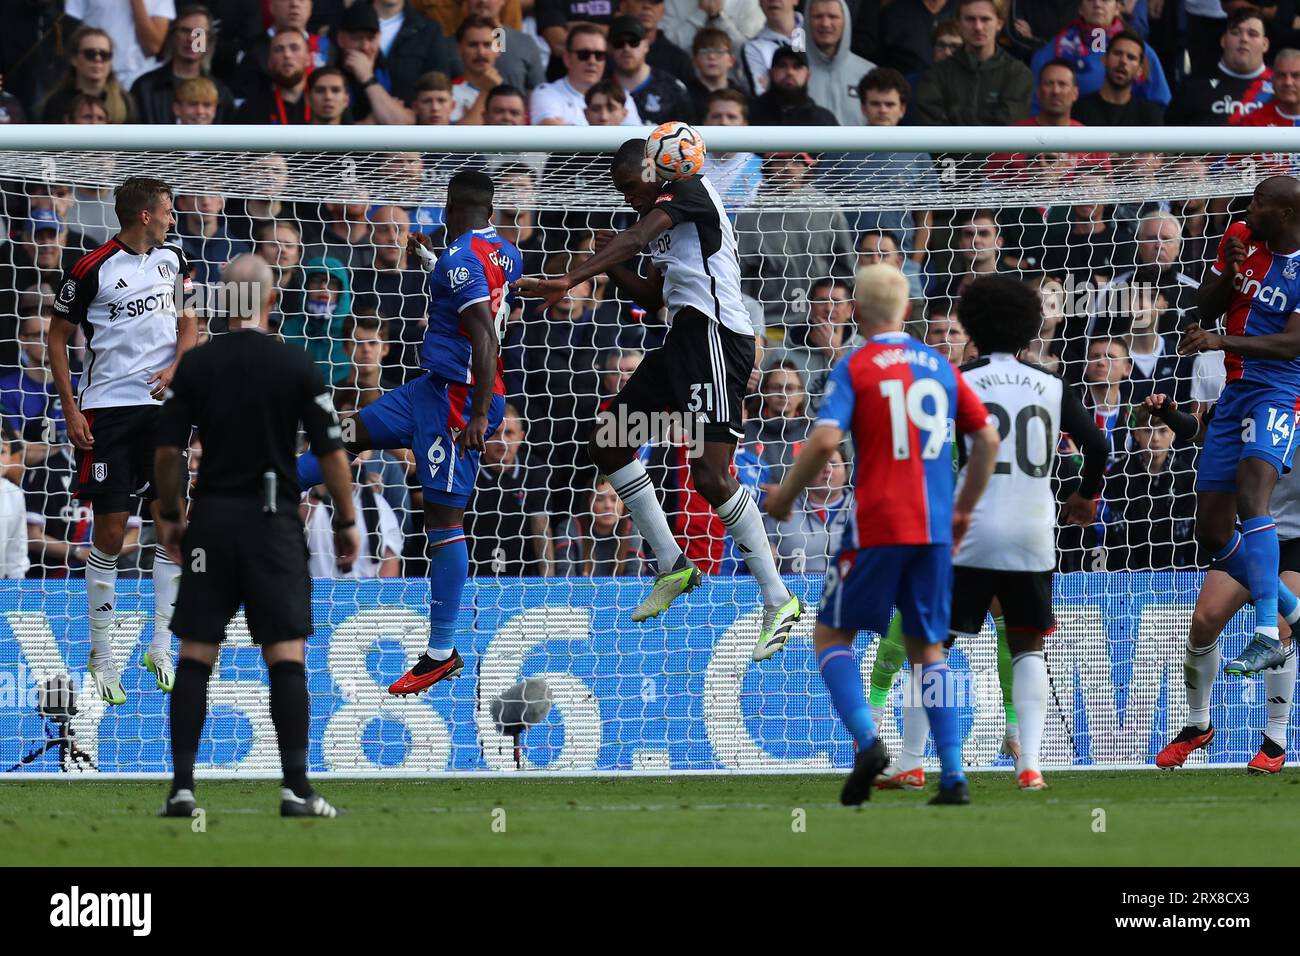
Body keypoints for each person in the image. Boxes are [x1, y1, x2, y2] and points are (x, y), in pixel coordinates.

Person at [516, 139, 803, 661]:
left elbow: (636, 236)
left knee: (711, 476)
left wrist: (571, 275)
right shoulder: (667, 219)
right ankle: (672, 564)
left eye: (630, 188)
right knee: (608, 442)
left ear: (654, 172)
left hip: (717, 340)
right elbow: (653, 294)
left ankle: (777, 597)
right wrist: (605, 266)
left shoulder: (690, 192)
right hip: (680, 345)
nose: (627, 199)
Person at [765, 263, 1000, 805]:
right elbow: (986, 440)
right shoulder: (940, 368)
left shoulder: (857, 364)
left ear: (854, 314)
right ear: (908, 312)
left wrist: (783, 495)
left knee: (832, 635)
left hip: (875, 525)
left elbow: (825, 443)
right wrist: (963, 510)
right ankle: (954, 775)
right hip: (934, 530)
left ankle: (868, 739)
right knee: (928, 650)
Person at [297, 170, 518, 697]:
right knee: (345, 432)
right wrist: (429, 263)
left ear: (449, 207)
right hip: (427, 388)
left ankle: (441, 652)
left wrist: (481, 417)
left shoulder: (461, 261)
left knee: (443, 518)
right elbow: (480, 294)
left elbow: (485, 339)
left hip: (458, 401)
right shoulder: (505, 251)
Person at [155, 253, 356, 820]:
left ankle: (182, 789)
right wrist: (345, 519)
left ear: (223, 301)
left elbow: (168, 450)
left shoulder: (196, 366)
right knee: (284, 654)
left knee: (196, 653)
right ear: (272, 301)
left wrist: (170, 515)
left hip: (211, 522)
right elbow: (331, 452)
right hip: (272, 524)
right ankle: (295, 789)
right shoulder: (296, 364)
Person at [893, 276, 1106, 792]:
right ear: (1031, 331)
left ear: (970, 326)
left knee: (932, 643)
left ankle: (913, 762)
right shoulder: (1052, 385)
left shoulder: (954, 381)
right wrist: (1084, 495)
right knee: (1027, 645)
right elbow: (1099, 446)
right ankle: (1030, 763)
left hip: (970, 527)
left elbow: (920, 452)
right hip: (1033, 529)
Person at [47, 177, 198, 705]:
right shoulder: (90, 269)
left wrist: (178, 366)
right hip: (107, 412)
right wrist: (69, 406)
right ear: (143, 217)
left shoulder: (174, 260)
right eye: (168, 211)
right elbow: (57, 338)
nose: (173, 218)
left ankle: (160, 644)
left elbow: (188, 323)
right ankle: (103, 652)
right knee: (110, 531)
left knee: (171, 524)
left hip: (161, 411)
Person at [1177, 175, 1300, 677]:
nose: (1249, 208)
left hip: (1279, 391)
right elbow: (1205, 306)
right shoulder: (1242, 239)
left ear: (1288, 214)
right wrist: (1228, 269)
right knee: (1213, 527)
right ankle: (1292, 610)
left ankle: (1268, 631)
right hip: (1235, 393)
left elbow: (1292, 345)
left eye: (1259, 202)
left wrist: (1220, 343)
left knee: (1254, 497)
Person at [1146, 393, 1296, 775]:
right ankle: (1198, 725)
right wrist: (1170, 415)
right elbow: (1204, 433)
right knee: (1204, 620)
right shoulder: (1253, 393)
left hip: (1295, 541)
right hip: (1249, 537)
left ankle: (1275, 741)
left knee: (1280, 627)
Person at [914, 0, 1033, 126]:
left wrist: (955, 116)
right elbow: (933, 127)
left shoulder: (1018, 73)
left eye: (985, 19)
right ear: (958, 24)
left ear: (999, 24)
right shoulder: (936, 75)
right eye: (970, 19)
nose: (978, 27)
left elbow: (1008, 126)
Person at [1167, 6, 1273, 125]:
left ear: (1265, 44)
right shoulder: (1194, 85)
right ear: (1223, 40)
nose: (1244, 39)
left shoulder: (1283, 86)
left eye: (1252, 34)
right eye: (1235, 33)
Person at [131, 5, 235, 124]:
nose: (191, 39)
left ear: (208, 40)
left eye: (199, 33)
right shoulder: (144, 89)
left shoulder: (222, 94)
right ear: (173, 36)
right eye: (185, 31)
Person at [530, 25, 643, 126]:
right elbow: (552, 133)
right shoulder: (547, 93)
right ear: (567, 58)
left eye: (599, 55)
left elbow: (635, 140)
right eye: (584, 54)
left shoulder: (622, 95)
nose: (592, 61)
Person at [1071, 28, 1165, 126]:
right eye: (1117, 53)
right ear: (1104, 59)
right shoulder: (1079, 110)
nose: (1123, 61)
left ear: (1139, 70)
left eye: (1131, 57)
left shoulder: (1149, 115)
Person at [806, 0, 877, 126]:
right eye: (818, 16)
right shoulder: (794, 74)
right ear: (807, 21)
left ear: (846, 21)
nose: (825, 24)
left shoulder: (869, 73)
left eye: (833, 17)